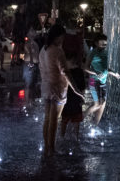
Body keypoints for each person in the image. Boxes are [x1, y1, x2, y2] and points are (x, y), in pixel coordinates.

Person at [39, 24, 72, 156]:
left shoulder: (43, 50)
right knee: (54, 120)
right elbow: (66, 72)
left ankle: (47, 146)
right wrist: (76, 89)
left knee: (47, 118)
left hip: (46, 87)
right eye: (62, 37)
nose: (63, 40)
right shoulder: (58, 51)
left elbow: (41, 69)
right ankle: (51, 149)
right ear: (58, 36)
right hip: (58, 88)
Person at [84, 33, 120, 126]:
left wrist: (113, 73)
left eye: (106, 42)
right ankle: (80, 118)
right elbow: (85, 67)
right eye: (102, 42)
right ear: (96, 43)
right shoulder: (93, 53)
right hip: (94, 81)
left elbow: (104, 68)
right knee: (97, 104)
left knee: (102, 104)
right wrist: (96, 73)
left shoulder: (105, 52)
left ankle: (94, 126)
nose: (105, 44)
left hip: (103, 82)